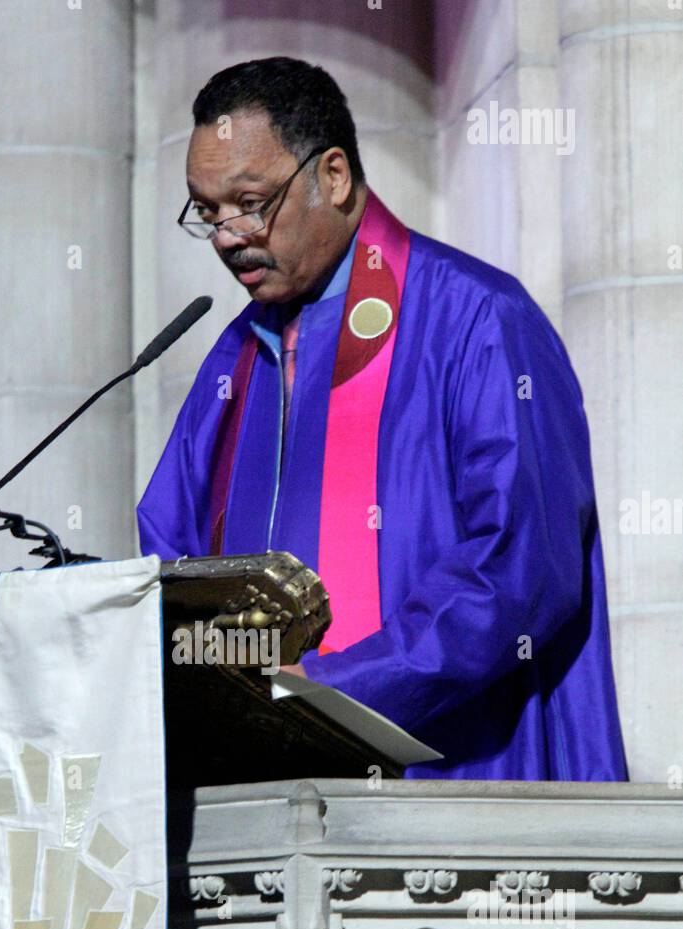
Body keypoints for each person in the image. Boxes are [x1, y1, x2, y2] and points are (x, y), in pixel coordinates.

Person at [137, 57, 628, 780]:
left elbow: (522, 565)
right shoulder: (232, 361)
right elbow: (171, 561)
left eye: (248, 202)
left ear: (331, 176)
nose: (226, 236)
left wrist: (331, 690)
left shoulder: (478, 318)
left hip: (454, 781)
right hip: (261, 792)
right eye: (206, 213)